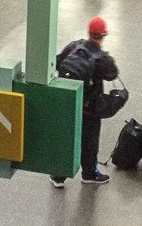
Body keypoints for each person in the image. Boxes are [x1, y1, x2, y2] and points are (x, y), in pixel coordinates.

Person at [50, 18, 120, 187]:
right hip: (90, 108)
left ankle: (58, 176)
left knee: (68, 138)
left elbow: (58, 62)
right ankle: (89, 173)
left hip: (70, 103)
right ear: (103, 35)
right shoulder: (101, 59)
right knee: (89, 142)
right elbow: (112, 74)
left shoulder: (73, 46)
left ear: (89, 32)